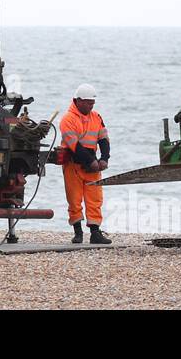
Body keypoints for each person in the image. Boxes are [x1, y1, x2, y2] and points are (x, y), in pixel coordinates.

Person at [58, 83, 112, 244]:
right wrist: (91, 161)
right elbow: (74, 145)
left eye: (93, 103)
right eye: (89, 103)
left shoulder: (96, 117)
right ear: (78, 101)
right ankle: (78, 232)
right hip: (73, 164)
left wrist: (104, 158)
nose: (91, 106)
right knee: (74, 199)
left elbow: (103, 139)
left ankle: (95, 233)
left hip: (92, 163)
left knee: (95, 199)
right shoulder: (68, 119)